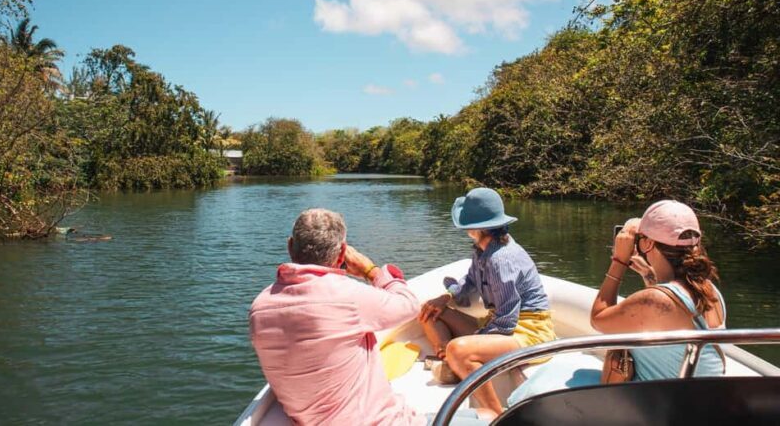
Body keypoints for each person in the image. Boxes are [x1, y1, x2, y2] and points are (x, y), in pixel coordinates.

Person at [250, 208, 490, 426]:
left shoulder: (260, 307)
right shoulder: (348, 296)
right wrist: (371, 271)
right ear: (343, 253)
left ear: (290, 246)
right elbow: (408, 305)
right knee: (489, 417)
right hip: (380, 422)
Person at [507, 199, 726, 406]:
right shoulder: (709, 290)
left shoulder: (655, 300)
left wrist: (619, 261)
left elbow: (598, 320)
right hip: (695, 403)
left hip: (654, 406)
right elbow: (670, 314)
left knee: (546, 379)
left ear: (647, 243)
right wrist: (649, 276)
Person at [418, 188, 556, 416]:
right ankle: (450, 360)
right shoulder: (482, 251)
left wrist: (470, 342)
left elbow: (506, 321)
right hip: (497, 324)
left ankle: (493, 411)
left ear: (476, 229)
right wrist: (446, 297)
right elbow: (471, 280)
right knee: (430, 312)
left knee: (458, 350)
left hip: (529, 332)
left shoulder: (500, 259)